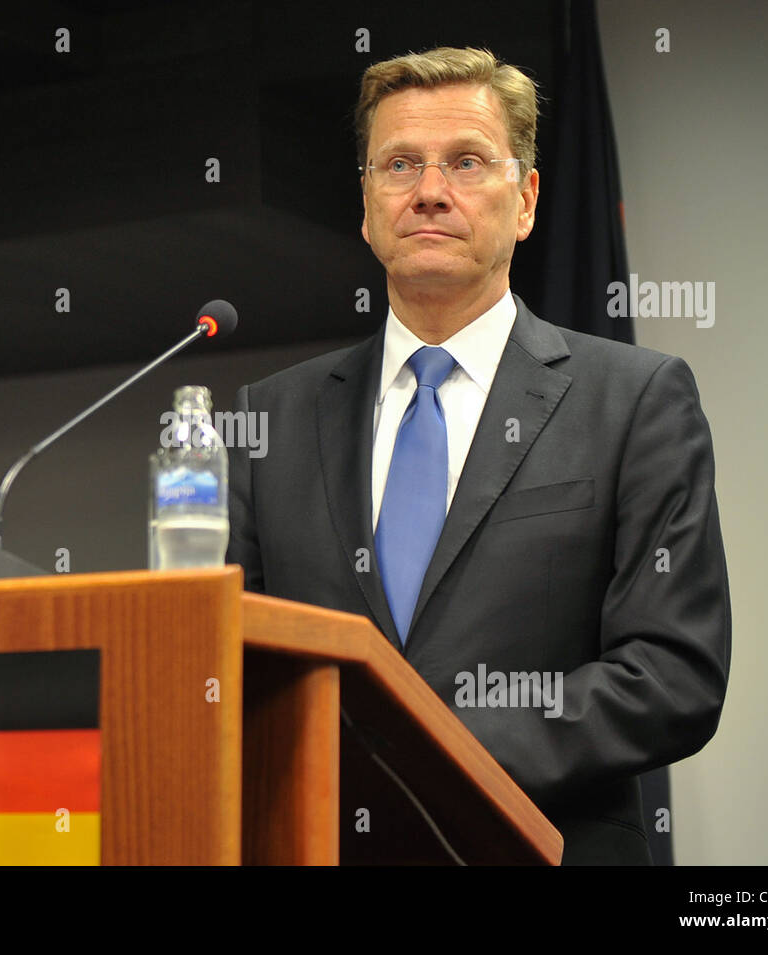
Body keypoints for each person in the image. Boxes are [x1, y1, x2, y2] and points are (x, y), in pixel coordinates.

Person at [225, 47, 731, 865]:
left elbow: (673, 676)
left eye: (465, 161)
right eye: (400, 165)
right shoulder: (267, 418)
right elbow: (225, 666)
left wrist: (429, 740)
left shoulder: (634, 400)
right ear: (366, 203)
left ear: (525, 199)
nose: (429, 190)